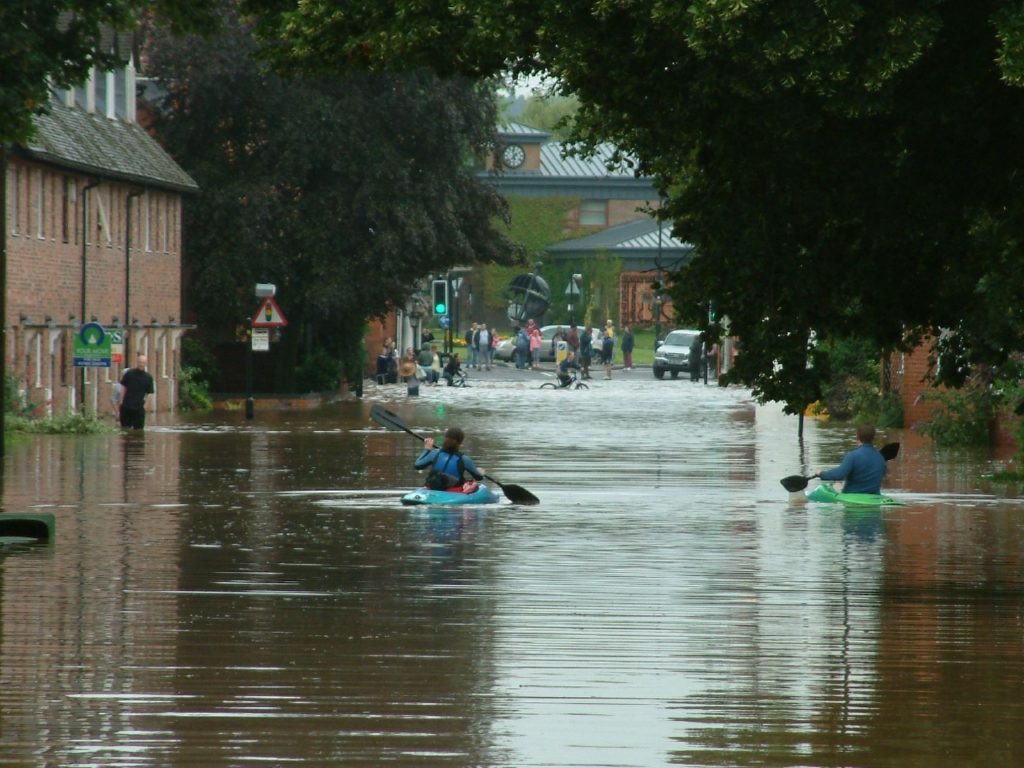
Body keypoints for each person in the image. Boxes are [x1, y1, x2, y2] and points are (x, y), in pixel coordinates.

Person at [817, 424, 888, 494]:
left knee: (837, 483)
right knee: (838, 483)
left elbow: (839, 475)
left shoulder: (852, 456)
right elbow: (883, 474)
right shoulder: (880, 457)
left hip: (852, 496)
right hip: (874, 497)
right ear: (873, 438)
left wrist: (821, 474)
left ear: (857, 437)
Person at [414, 426, 486, 490]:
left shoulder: (435, 453)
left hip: (432, 488)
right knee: (474, 486)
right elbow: (478, 477)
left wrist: (427, 449)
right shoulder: (464, 459)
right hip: (453, 491)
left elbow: (417, 465)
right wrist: (480, 472)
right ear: (460, 443)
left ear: (445, 438)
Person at [118, 353, 155, 430]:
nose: (141, 364)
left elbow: (150, 393)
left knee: (139, 430)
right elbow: (123, 387)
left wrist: (145, 406)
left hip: (139, 408)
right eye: (140, 362)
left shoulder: (148, 377)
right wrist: (121, 401)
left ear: (146, 364)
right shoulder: (129, 374)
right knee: (125, 428)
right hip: (126, 406)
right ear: (137, 362)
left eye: (143, 363)